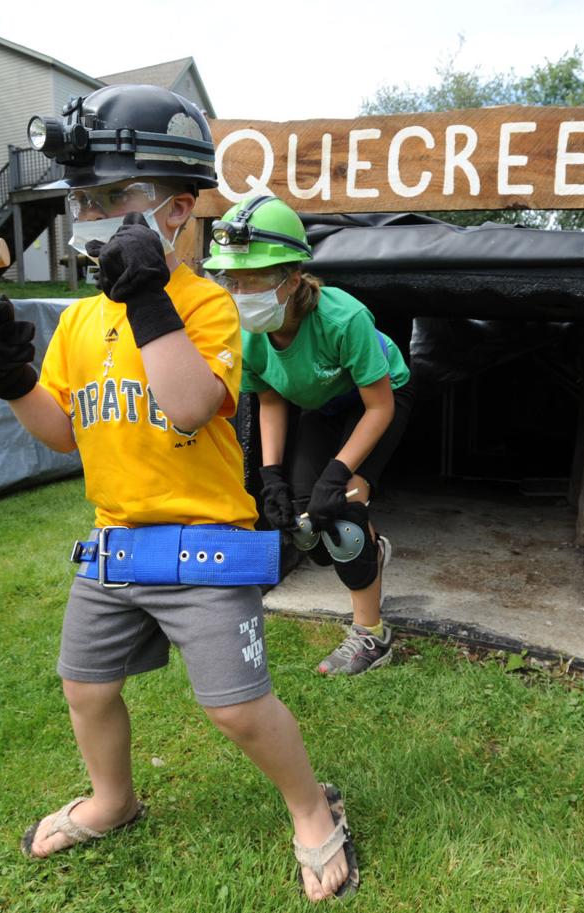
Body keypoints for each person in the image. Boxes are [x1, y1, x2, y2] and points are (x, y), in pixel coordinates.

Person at [0, 85, 357, 901]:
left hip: (204, 545)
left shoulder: (211, 308)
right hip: (113, 546)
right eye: (83, 198)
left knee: (239, 708)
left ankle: (313, 808)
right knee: (86, 688)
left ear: (178, 210)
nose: (92, 214)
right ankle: (114, 798)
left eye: (114, 198)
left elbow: (186, 405)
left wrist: (146, 300)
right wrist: (12, 382)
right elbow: (64, 431)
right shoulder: (75, 323)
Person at [203, 195, 414, 676]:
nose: (239, 290)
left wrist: (339, 475)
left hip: (378, 401)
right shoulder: (245, 332)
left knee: (342, 514)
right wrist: (271, 476)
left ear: (292, 277)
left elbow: (378, 406)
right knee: (306, 524)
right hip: (321, 405)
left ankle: (371, 635)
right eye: (231, 279)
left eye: (253, 278)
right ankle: (373, 554)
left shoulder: (345, 319)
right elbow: (272, 398)